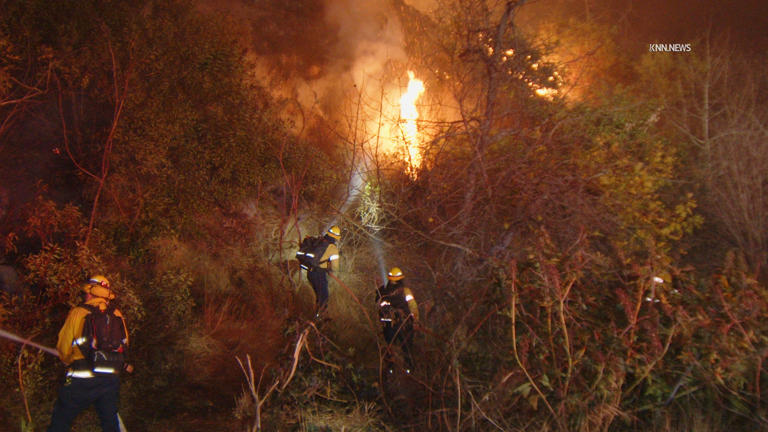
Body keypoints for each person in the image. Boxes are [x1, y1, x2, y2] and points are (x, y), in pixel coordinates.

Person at [47, 275, 130, 432]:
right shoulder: (117, 314)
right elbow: (125, 344)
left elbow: (63, 347)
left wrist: (67, 361)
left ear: (90, 292)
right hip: (110, 379)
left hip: (81, 378)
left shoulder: (78, 312)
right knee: (110, 423)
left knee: (60, 422)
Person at [376, 267, 419, 374]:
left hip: (387, 325)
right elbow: (413, 306)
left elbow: (377, 307)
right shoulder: (405, 291)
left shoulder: (381, 291)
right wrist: (416, 320)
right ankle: (409, 370)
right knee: (407, 347)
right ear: (400, 278)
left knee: (389, 348)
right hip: (404, 324)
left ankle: (390, 370)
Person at [306, 225, 340, 318]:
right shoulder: (333, 248)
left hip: (309, 272)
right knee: (324, 296)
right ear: (336, 238)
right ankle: (319, 318)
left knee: (318, 295)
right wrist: (331, 270)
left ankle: (316, 314)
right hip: (319, 273)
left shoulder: (320, 241)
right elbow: (335, 266)